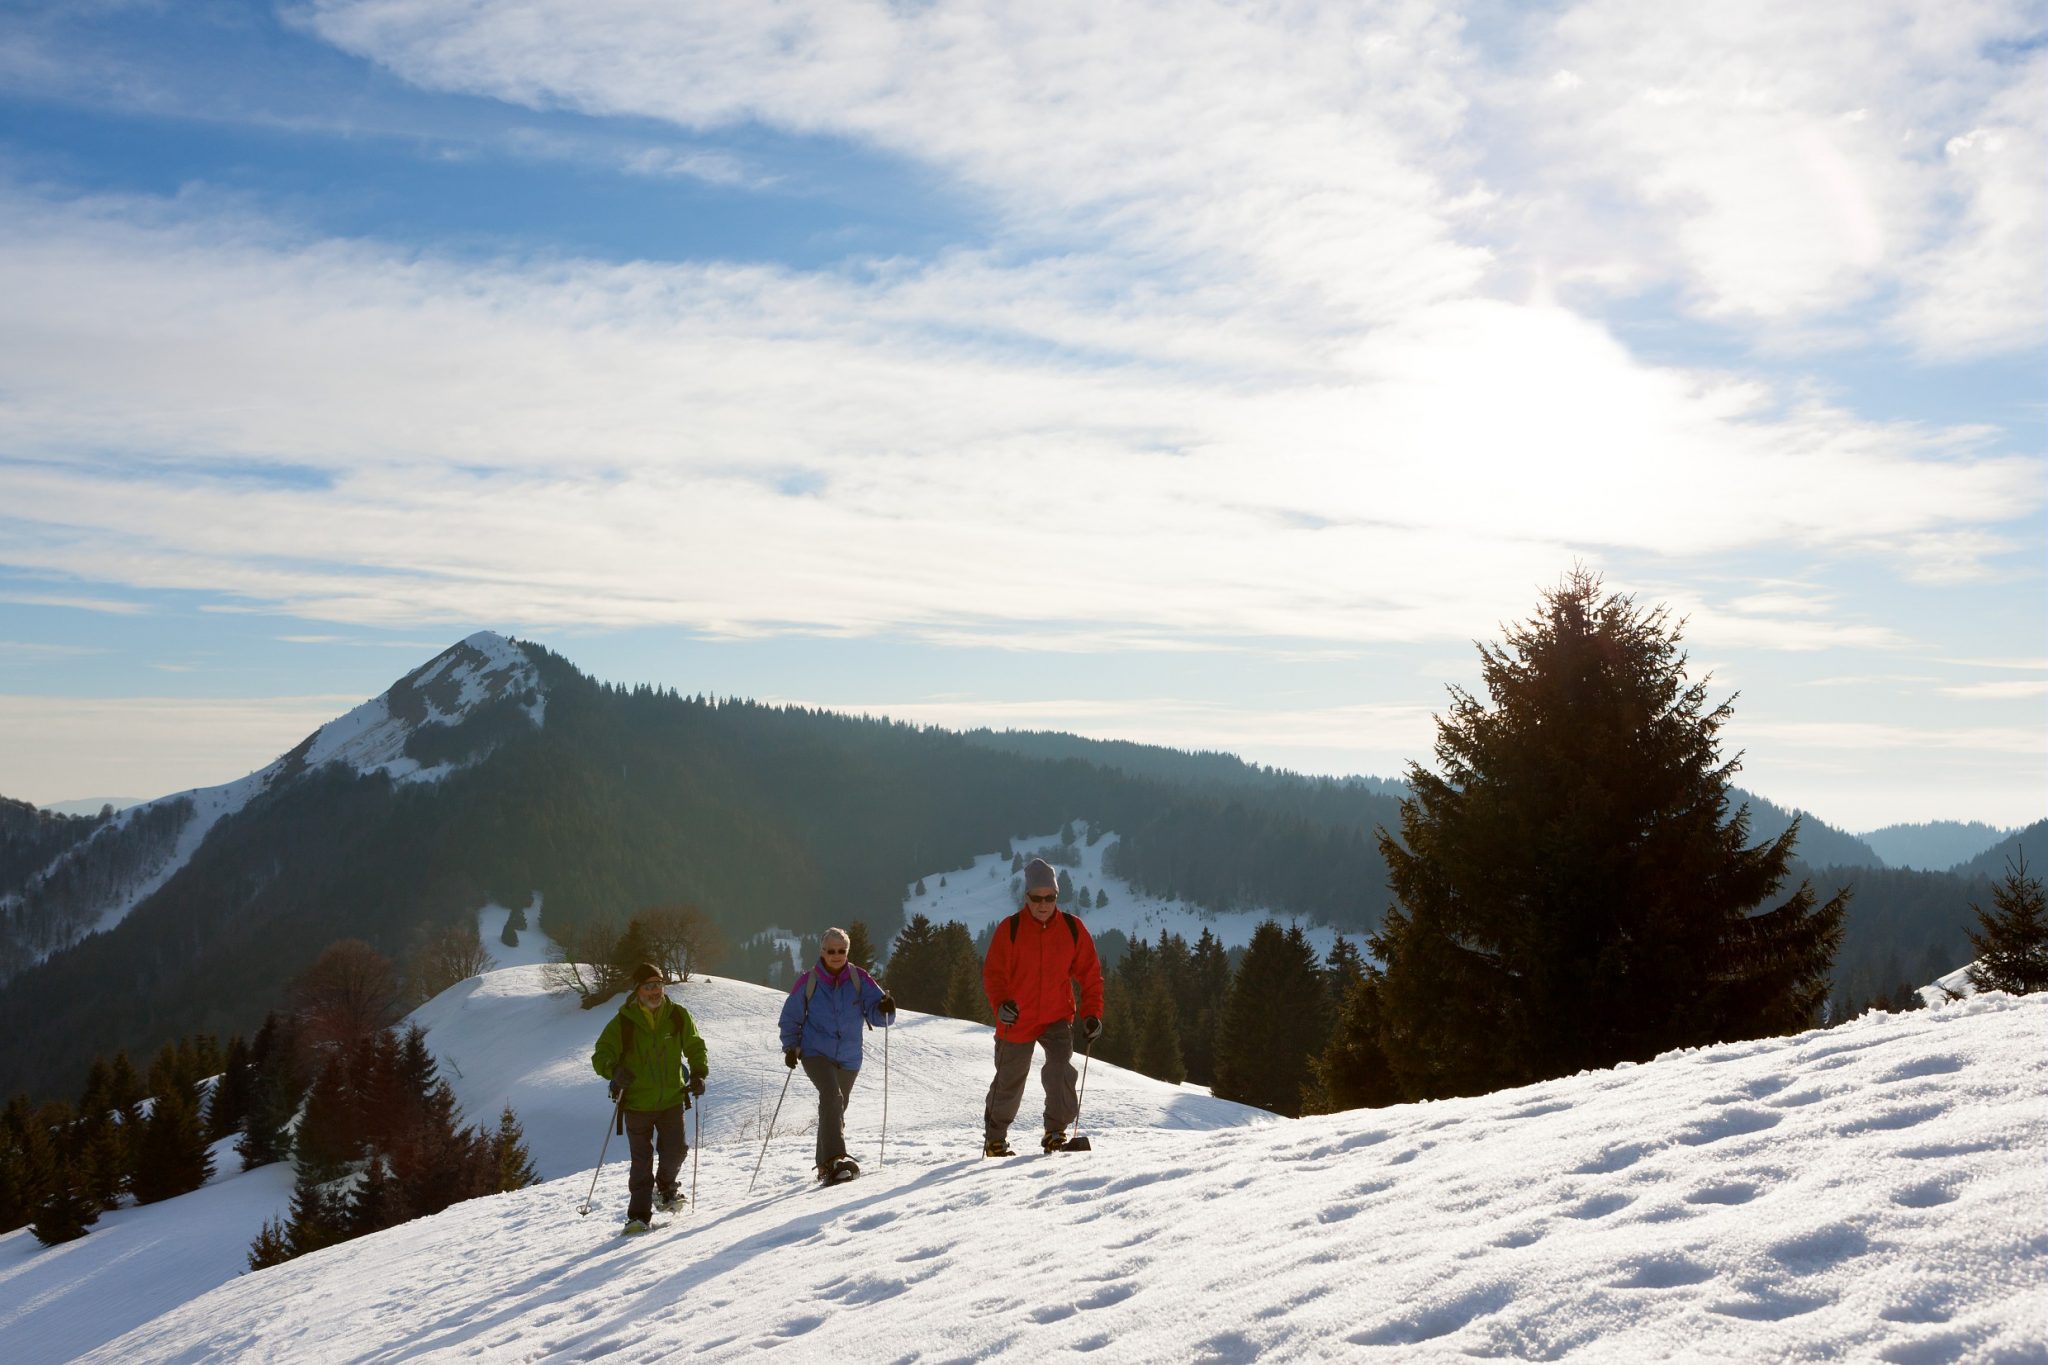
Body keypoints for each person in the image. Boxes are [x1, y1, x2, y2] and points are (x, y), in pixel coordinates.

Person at [981, 858, 1104, 1156]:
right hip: (1017, 1018)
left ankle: (1056, 1133)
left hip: (1056, 1015)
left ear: (1057, 897)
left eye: (1050, 897)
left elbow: (1090, 975)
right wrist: (1002, 1005)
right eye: (1037, 897)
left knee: (1061, 1070)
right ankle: (995, 1138)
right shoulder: (1009, 930)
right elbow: (994, 975)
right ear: (1026, 897)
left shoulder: (1073, 929)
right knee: (1010, 1078)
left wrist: (1092, 1015)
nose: (1043, 903)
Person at [592, 963, 708, 1234]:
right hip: (636, 1104)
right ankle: (638, 1217)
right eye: (648, 986)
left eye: (658, 984)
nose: (655, 991)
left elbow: (694, 1045)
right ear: (638, 990)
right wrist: (614, 1070)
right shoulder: (623, 1022)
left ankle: (666, 1189)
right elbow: (601, 1054)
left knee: (676, 1150)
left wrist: (699, 1072)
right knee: (641, 1161)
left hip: (671, 1099)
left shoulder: (678, 1016)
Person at [779, 927, 895, 1183]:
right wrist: (790, 1047)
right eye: (831, 951)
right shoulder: (808, 981)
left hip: (850, 1057)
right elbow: (790, 1018)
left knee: (835, 1107)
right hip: (815, 1052)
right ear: (822, 952)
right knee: (832, 1095)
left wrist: (887, 1008)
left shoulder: (859, 978)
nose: (836, 956)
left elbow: (877, 1013)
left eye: (841, 951)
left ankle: (824, 1166)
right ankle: (836, 1159)